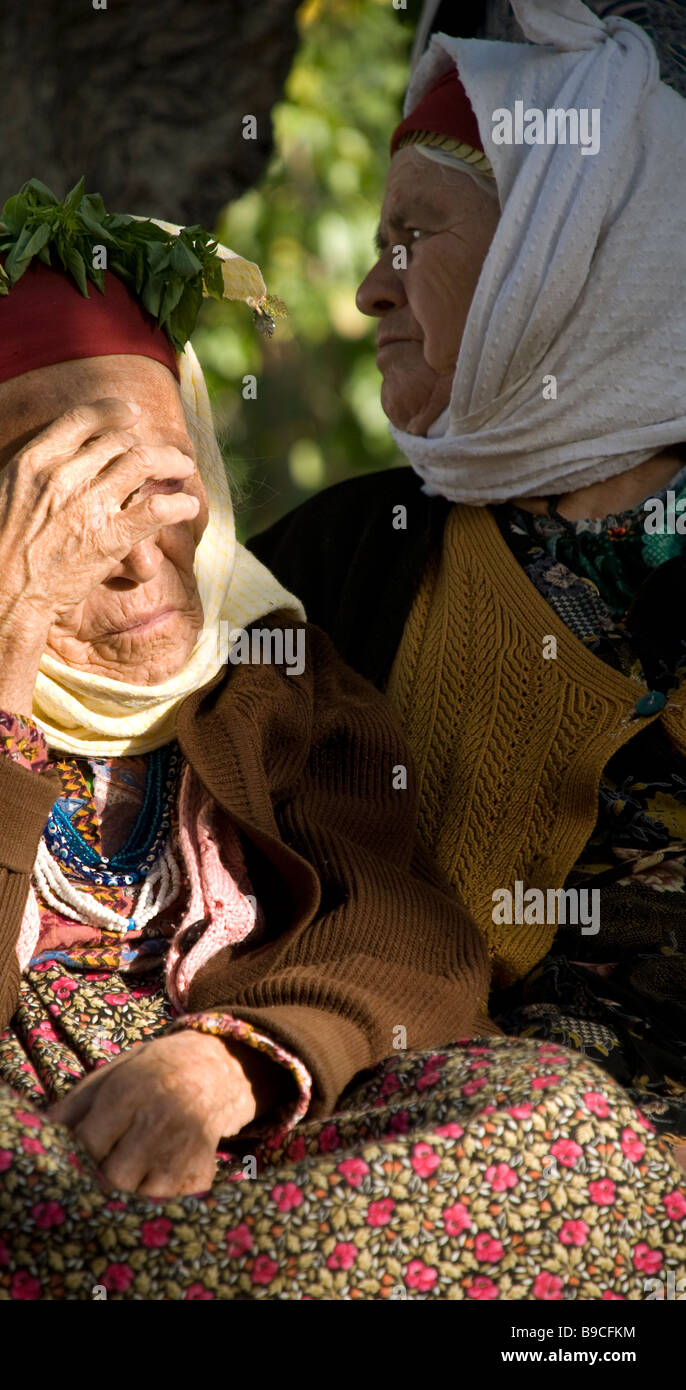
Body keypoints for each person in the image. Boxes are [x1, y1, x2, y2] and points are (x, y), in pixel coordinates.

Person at [0, 176, 681, 1302]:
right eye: (52, 508)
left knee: (566, 1124)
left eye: (159, 482)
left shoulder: (266, 661)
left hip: (254, 1152)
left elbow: (413, 940)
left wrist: (228, 1061)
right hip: (3, 1152)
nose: (138, 557)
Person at [248, 0, 686, 1190]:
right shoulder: (336, 562)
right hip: (413, 1164)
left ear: (574, 242)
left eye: (414, 234)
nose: (368, 295)